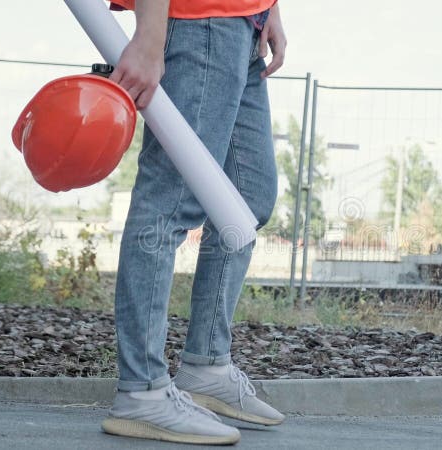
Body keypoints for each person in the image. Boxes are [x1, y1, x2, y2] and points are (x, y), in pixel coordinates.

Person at [99, 0, 287, 445]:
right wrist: (149, 35)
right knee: (169, 203)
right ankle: (142, 392)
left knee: (247, 200)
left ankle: (206, 366)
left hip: (245, 25)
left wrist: (270, 8)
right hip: (197, 21)